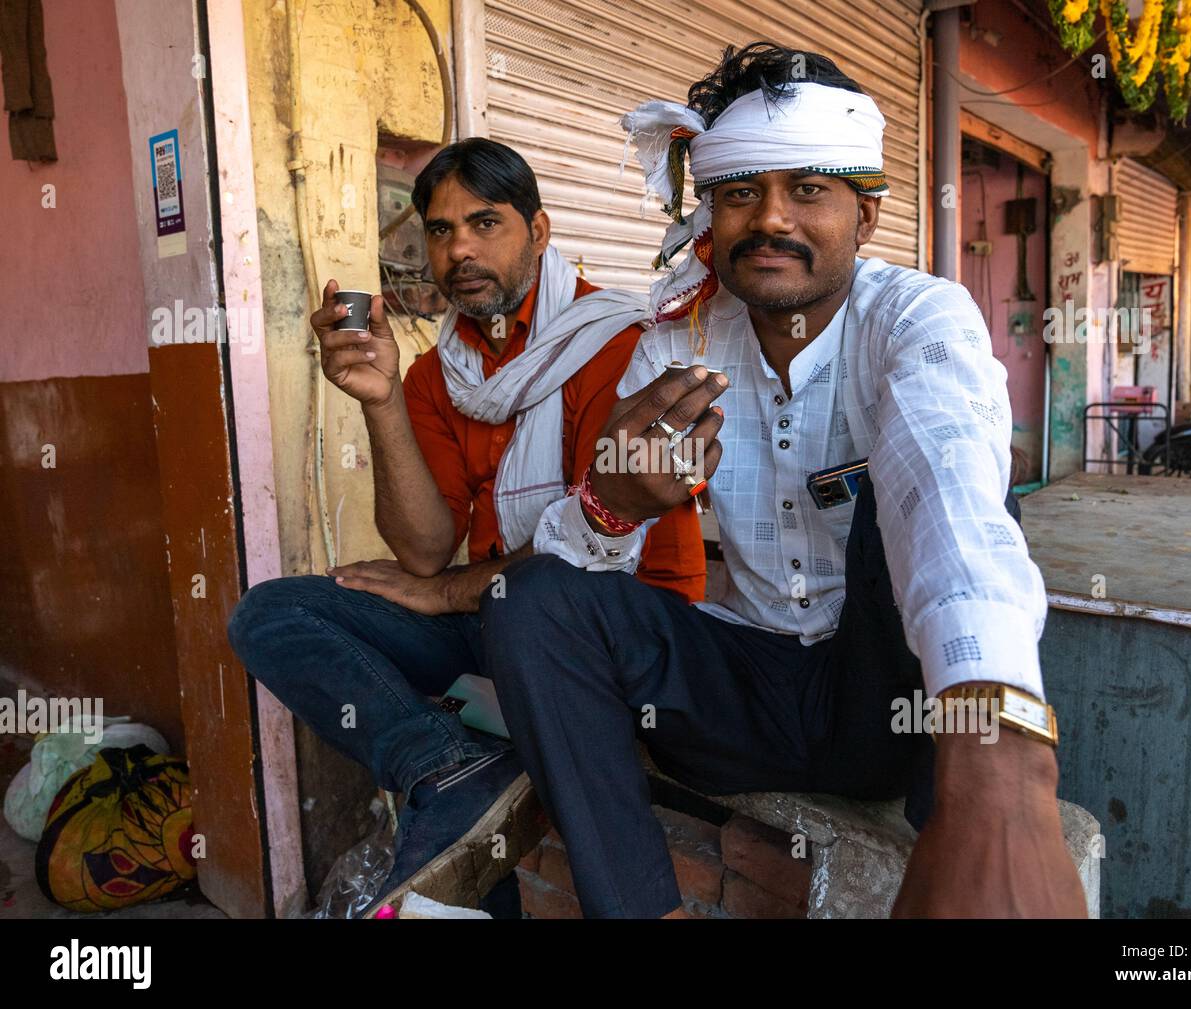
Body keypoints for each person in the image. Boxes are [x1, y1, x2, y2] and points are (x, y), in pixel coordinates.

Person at [479, 43, 1087, 919]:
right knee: (530, 600)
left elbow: (947, 482)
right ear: (710, 218)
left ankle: (976, 805)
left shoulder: (916, 316)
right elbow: (589, 563)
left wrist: (1004, 777)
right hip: (746, 688)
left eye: (809, 190)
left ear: (866, 215)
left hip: (892, 708)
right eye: (740, 193)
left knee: (910, 494)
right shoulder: (672, 345)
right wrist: (615, 506)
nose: (771, 219)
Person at [226, 139, 705, 911]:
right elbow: (421, 549)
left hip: (616, 635)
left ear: (539, 232)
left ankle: (459, 780)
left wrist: (450, 593)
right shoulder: (439, 370)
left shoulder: (617, 345)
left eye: (486, 223)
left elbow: (590, 555)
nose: (460, 250)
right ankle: (448, 766)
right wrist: (378, 399)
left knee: (522, 609)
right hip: (496, 618)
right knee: (273, 614)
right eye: (442, 230)